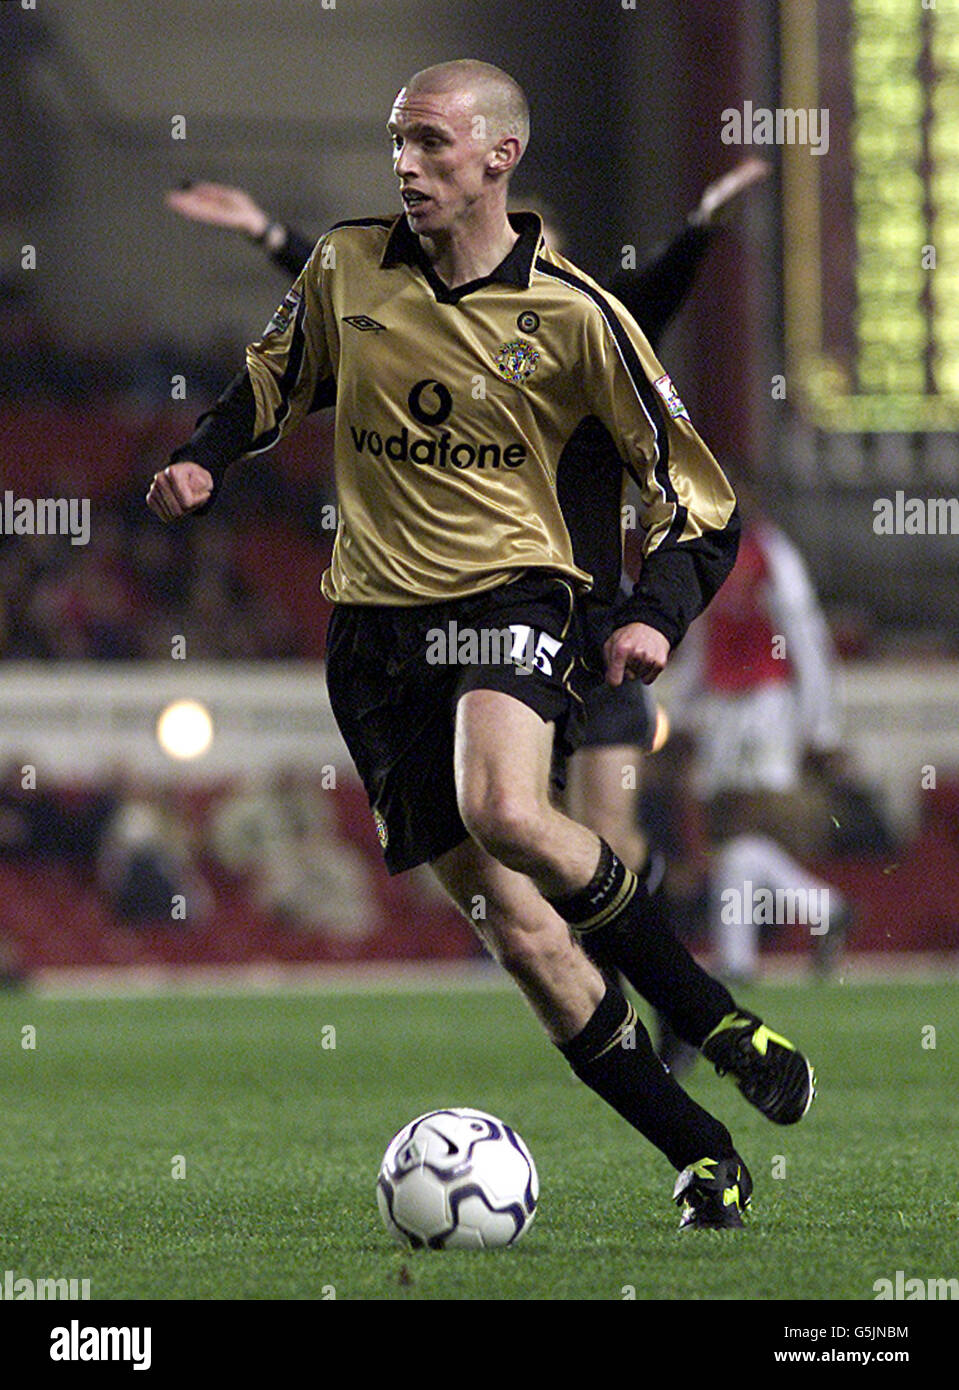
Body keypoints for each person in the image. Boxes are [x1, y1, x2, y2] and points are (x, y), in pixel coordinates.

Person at [148, 60, 814, 1230]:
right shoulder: (345, 268)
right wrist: (210, 452)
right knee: (516, 928)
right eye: (396, 142)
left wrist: (655, 610)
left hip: (516, 597)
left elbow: (696, 496)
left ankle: (712, 1015)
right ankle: (702, 1149)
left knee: (508, 808)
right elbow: (273, 378)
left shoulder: (574, 315)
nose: (404, 164)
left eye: (430, 145)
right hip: (371, 640)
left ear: (499, 156)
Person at [165, 156, 770, 1051]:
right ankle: (604, 1005)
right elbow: (358, 308)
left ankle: (666, 1006)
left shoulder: (585, 332)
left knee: (612, 840)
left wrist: (701, 230)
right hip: (499, 621)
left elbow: (650, 302)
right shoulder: (444, 325)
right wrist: (270, 236)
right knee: (517, 836)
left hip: (592, 627)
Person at [668, 478, 854, 979]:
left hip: (765, 702)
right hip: (723, 707)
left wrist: (821, 725)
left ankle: (743, 950)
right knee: (725, 829)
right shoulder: (713, 554)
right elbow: (699, 636)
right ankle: (810, 914)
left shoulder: (772, 553)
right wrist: (686, 711)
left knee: (743, 821)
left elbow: (805, 634)